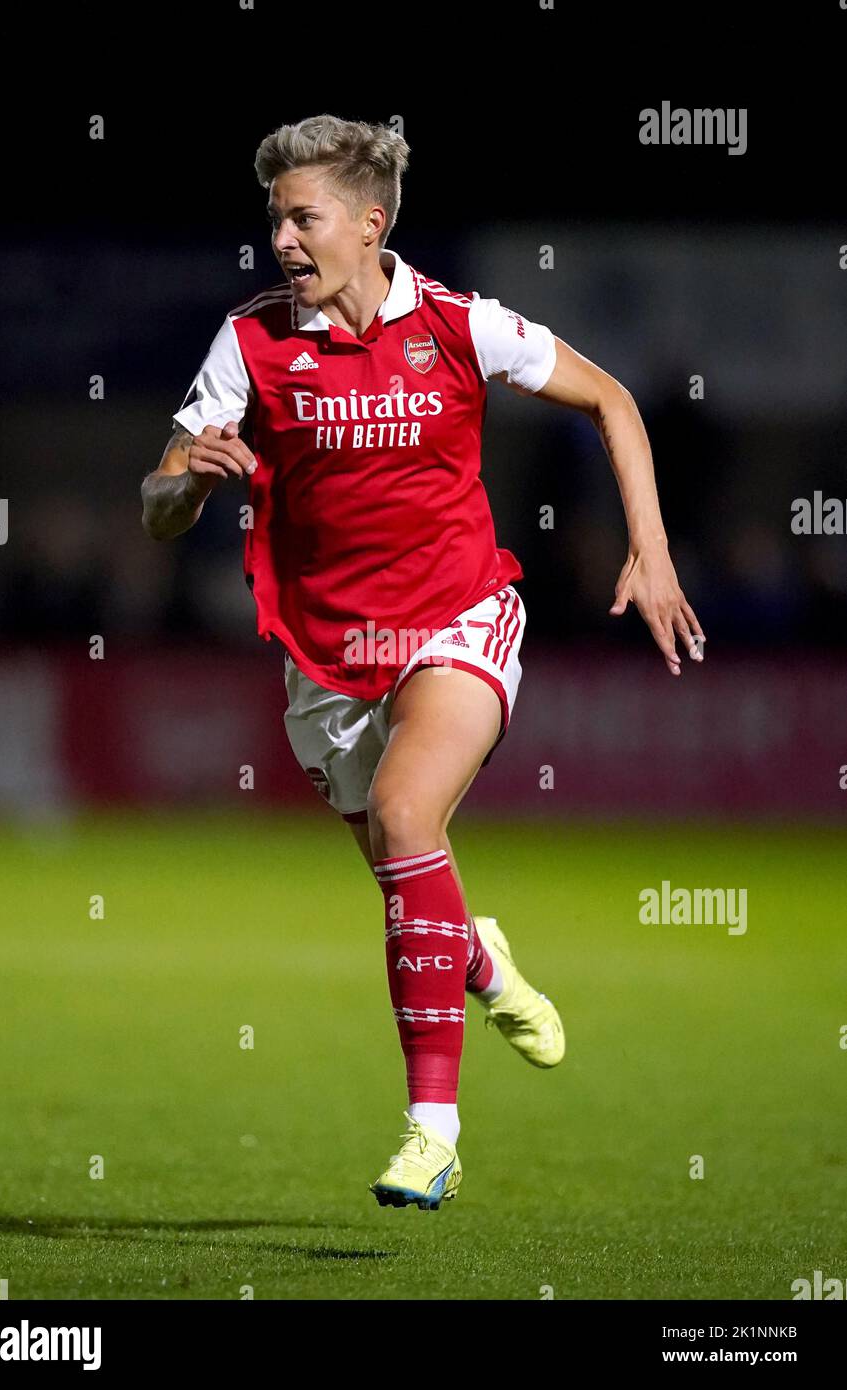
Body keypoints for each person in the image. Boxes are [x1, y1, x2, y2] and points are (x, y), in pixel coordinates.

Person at [141, 114, 705, 1212]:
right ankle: (478, 958)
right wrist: (188, 484)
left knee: (407, 817)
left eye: (304, 218)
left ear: (369, 222)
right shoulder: (251, 341)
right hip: (325, 654)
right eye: (274, 218)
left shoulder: (455, 324)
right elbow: (158, 505)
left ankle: (432, 1132)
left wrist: (651, 548)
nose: (284, 239)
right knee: (409, 869)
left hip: (459, 616)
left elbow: (613, 400)